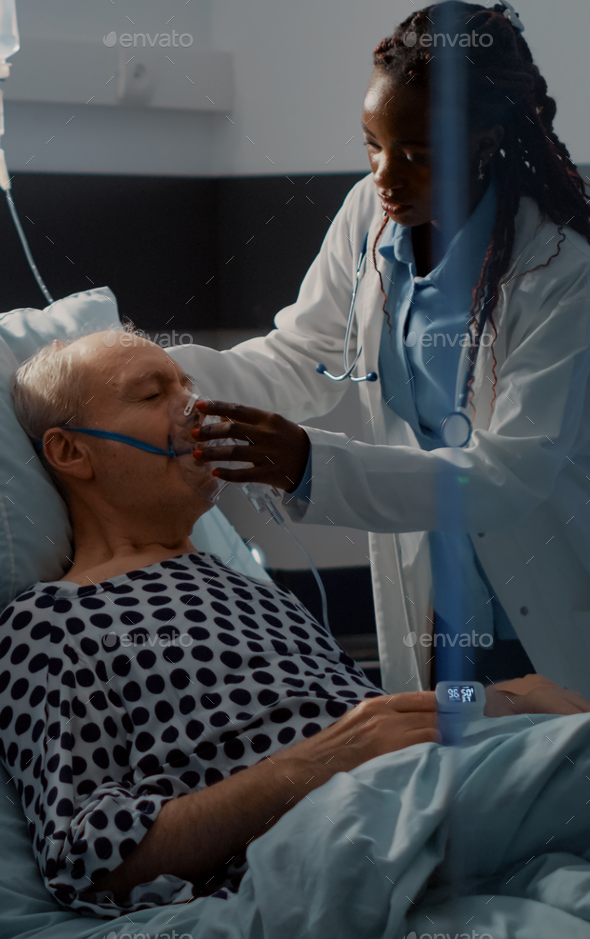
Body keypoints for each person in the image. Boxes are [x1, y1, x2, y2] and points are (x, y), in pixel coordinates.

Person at [2, 330, 586, 920]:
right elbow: (83, 856)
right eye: (154, 394)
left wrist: (490, 701)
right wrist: (317, 766)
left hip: (413, 813)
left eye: (189, 387)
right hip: (329, 836)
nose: (194, 410)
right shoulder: (52, 620)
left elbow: (370, 720)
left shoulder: (251, 593)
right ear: (71, 452)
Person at [167, 0, 590, 697]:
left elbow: (507, 474)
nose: (386, 175)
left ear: (483, 142)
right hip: (435, 605)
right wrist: (165, 372)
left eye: (418, 155)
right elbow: (300, 355)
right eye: (372, 144)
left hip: (543, 595)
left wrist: (310, 465)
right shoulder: (371, 215)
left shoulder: (560, 270)